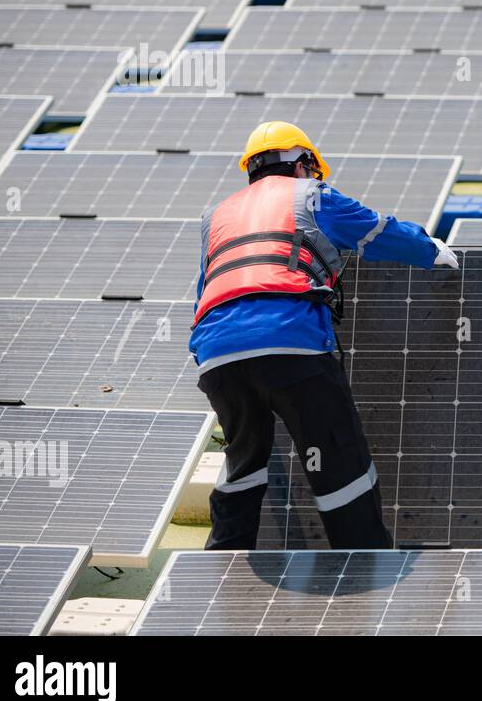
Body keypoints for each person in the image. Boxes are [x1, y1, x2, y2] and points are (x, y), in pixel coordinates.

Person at [189, 121, 459, 550]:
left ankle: (224, 566)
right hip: (290, 343)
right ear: (302, 164)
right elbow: (375, 230)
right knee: (337, 462)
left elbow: (208, 287)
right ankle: (363, 565)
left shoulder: (215, 216)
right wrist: (429, 250)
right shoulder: (312, 196)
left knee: (244, 462)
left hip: (217, 354)